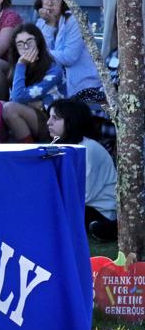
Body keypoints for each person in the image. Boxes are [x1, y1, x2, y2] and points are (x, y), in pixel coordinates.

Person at [46, 98, 117, 241]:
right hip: (78, 204)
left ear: (71, 121)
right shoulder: (57, 146)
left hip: (99, 211)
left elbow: (84, 195)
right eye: (49, 117)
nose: (48, 122)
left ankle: (110, 229)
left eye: (55, 118)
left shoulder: (89, 148)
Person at [33, 0, 104, 103]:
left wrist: (40, 53)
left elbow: (68, 57)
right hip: (53, 82)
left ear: (64, 1)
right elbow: (41, 57)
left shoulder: (75, 21)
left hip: (80, 86)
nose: (50, 3)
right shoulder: (41, 23)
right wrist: (49, 25)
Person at [3, 24, 66, 143]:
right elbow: (14, 98)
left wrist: (21, 64)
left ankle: (29, 150)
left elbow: (17, 98)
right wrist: (33, 103)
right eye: (20, 44)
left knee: (9, 108)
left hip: (53, 121)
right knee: (0, 105)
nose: (26, 47)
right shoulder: (17, 69)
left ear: (38, 42)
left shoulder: (54, 70)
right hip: (33, 115)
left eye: (30, 42)